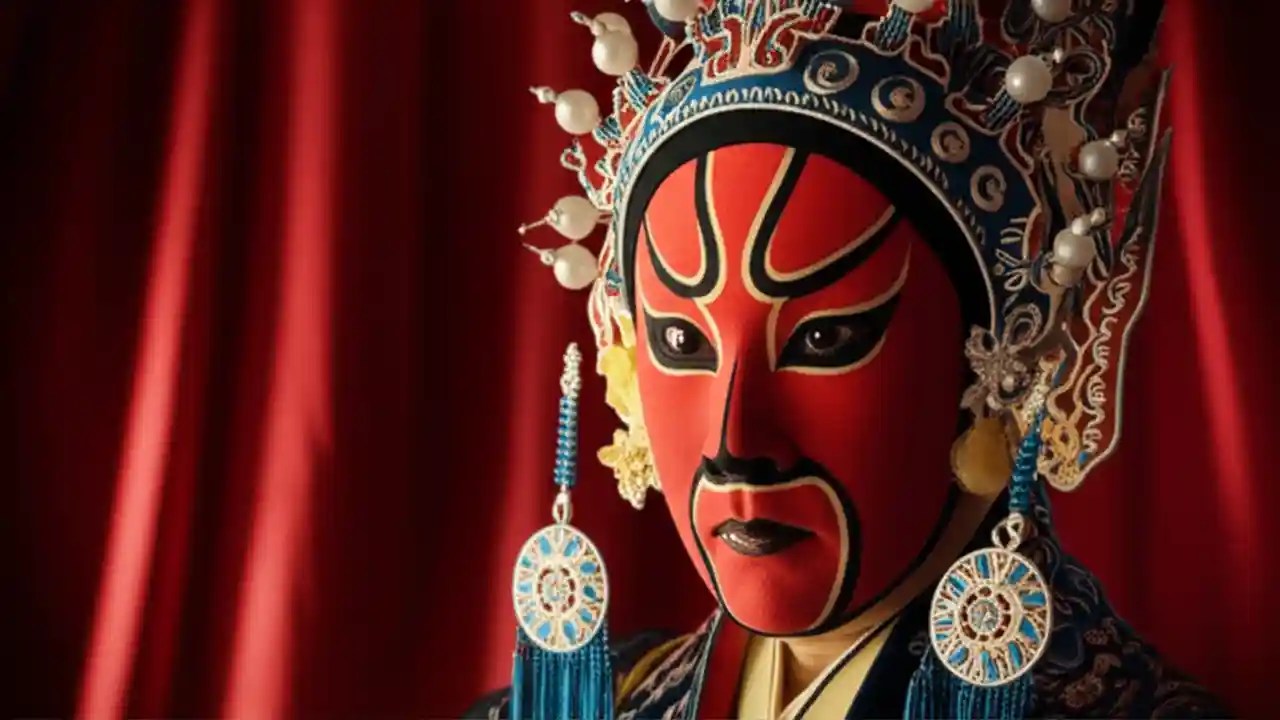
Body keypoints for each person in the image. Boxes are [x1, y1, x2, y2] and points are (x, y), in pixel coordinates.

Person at [477, 1, 1229, 717]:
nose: (735, 447)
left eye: (824, 340)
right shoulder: (605, 697)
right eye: (683, 344)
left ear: (1003, 367)